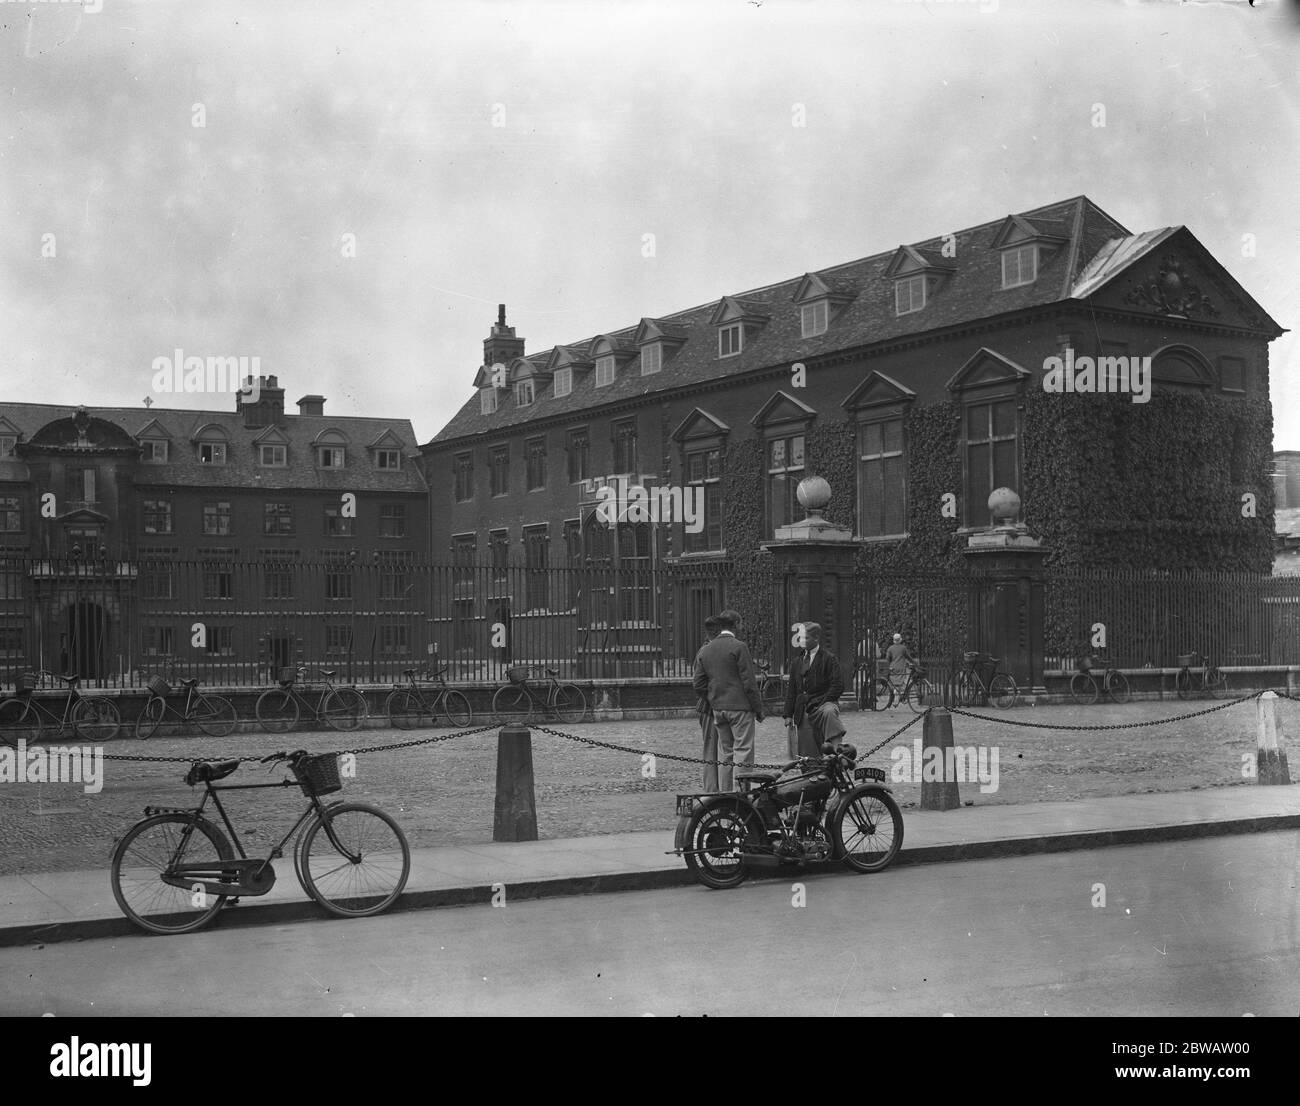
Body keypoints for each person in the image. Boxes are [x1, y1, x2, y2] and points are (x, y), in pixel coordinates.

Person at [691, 608, 765, 791]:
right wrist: (758, 709)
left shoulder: (706, 649)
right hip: (740, 708)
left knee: (725, 753)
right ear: (736, 624)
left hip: (718, 709)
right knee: (743, 751)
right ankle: (741, 794)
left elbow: (698, 683)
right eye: (741, 624)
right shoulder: (739, 646)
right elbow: (749, 682)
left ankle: (725, 794)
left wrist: (713, 699)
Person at [783, 622, 847, 758]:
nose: (801, 641)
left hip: (824, 704)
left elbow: (838, 685)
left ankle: (838, 753)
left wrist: (821, 702)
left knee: (829, 713)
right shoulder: (797, 662)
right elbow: (792, 690)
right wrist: (788, 714)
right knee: (808, 751)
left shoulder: (829, 659)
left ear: (816, 638)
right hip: (803, 708)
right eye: (800, 638)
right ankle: (812, 768)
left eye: (805, 638)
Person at [697, 615, 721, 791]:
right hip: (709, 708)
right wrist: (714, 700)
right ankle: (712, 789)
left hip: (712, 705)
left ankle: (716, 787)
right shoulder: (706, 651)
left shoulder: (707, 649)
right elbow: (698, 683)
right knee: (711, 749)